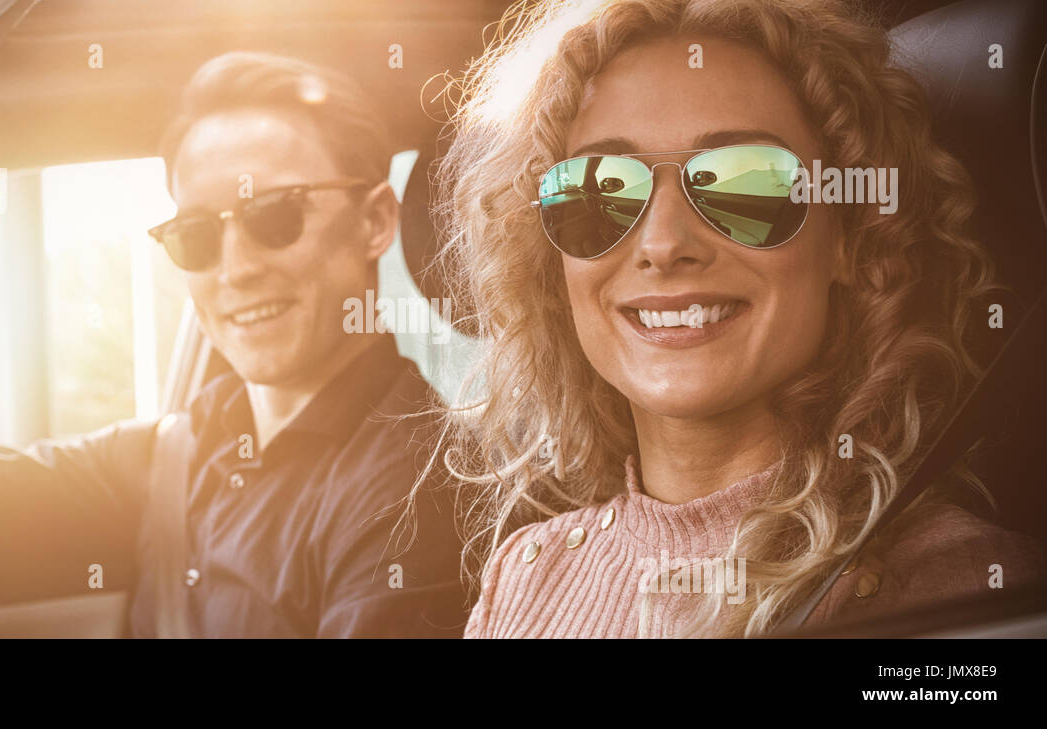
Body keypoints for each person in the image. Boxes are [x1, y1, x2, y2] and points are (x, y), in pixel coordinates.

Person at [0, 52, 468, 638]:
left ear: (376, 221)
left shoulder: (416, 487)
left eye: (274, 214)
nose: (235, 266)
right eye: (197, 234)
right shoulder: (183, 449)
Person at [428, 0, 1045, 638]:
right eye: (598, 189)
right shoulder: (526, 579)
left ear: (850, 240)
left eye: (746, 183)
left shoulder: (957, 584)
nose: (663, 243)